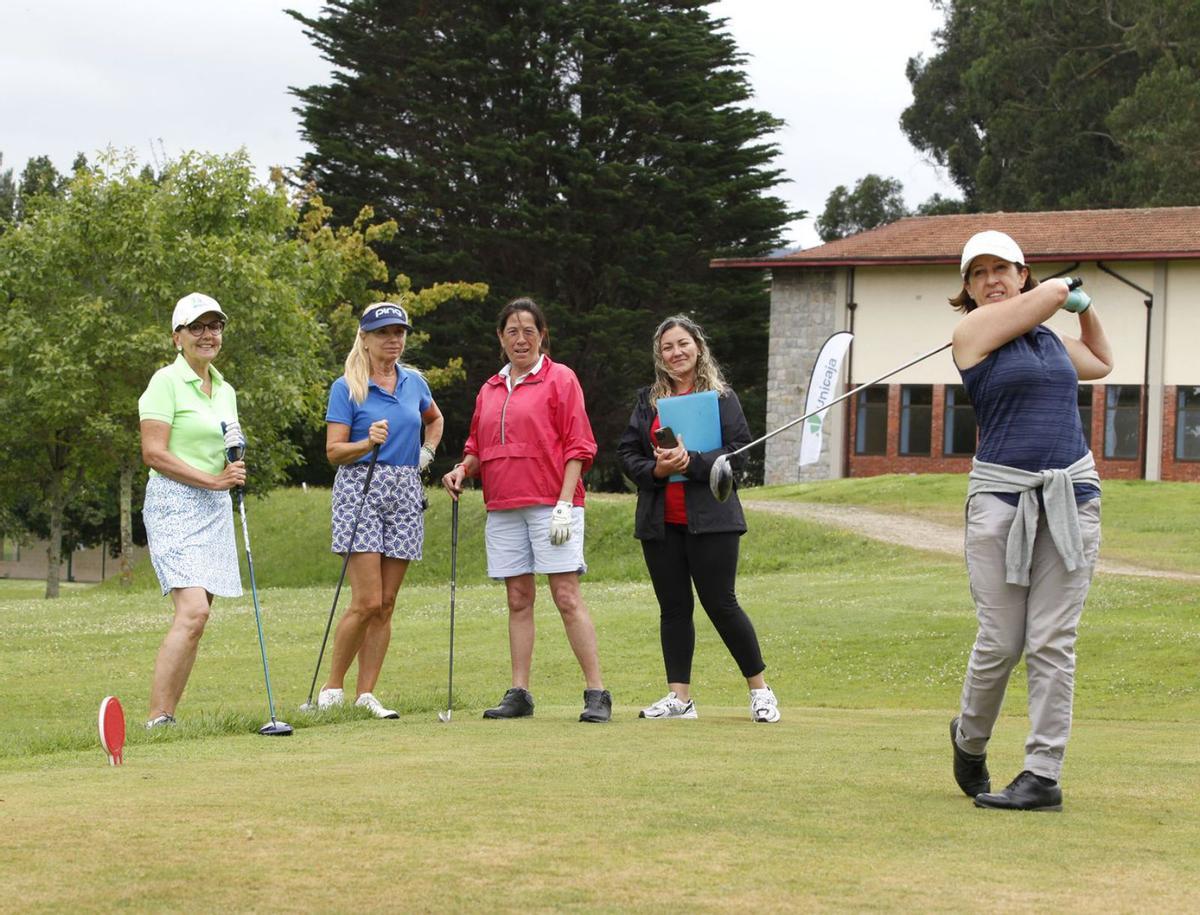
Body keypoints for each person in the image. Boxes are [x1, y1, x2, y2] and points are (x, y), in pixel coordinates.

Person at [948, 230, 1112, 811]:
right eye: (979, 273)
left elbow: (1101, 361)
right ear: (967, 289)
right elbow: (1042, 302)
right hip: (1001, 502)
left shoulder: (1049, 341)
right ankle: (969, 739)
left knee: (1051, 641)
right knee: (1001, 642)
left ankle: (1042, 773)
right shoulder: (972, 334)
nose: (992, 279)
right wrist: (1062, 288)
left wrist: (1085, 310)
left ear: (1022, 274)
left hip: (1072, 498)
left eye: (1003, 269)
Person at [441, 297, 611, 723]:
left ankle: (597, 692)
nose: (521, 339)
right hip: (503, 507)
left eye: (529, 331)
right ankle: (520, 693)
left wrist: (564, 503)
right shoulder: (489, 389)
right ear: (501, 337)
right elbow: (479, 448)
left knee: (566, 595)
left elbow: (579, 446)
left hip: (552, 504)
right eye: (512, 331)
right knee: (518, 598)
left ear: (542, 335)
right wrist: (463, 469)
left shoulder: (561, 379)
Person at [617, 314, 780, 723]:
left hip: (713, 518)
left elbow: (740, 452)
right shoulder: (646, 400)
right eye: (667, 347)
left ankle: (760, 692)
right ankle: (680, 698)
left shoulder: (722, 397)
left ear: (698, 347)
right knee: (673, 608)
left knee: (721, 603)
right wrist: (655, 471)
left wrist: (690, 462)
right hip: (660, 521)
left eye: (682, 344)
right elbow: (627, 454)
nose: (676, 353)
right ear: (659, 355)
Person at [316, 301, 444, 719]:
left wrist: (426, 453)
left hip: (406, 487)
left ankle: (365, 693)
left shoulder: (414, 383)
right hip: (360, 486)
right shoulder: (347, 387)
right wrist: (366, 442)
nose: (394, 340)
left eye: (399, 332)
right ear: (366, 339)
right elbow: (334, 452)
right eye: (384, 333)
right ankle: (332, 688)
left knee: (387, 602)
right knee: (367, 599)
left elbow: (434, 419)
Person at [139, 292, 246, 729]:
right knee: (194, 612)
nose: (208, 335)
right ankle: (156, 718)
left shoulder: (225, 390)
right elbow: (154, 453)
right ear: (176, 337)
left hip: (214, 506)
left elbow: (222, 447)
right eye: (197, 327)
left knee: (199, 619)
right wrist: (213, 480)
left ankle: (168, 717)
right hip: (173, 503)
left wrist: (232, 468)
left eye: (214, 326)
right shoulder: (164, 382)